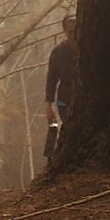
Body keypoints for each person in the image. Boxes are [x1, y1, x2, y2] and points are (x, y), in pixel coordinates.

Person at [43, 13, 78, 163]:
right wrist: (48, 104)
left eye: (77, 30)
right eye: (70, 32)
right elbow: (51, 79)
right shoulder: (58, 52)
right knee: (68, 127)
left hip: (90, 98)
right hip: (65, 100)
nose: (74, 35)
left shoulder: (90, 48)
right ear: (65, 32)